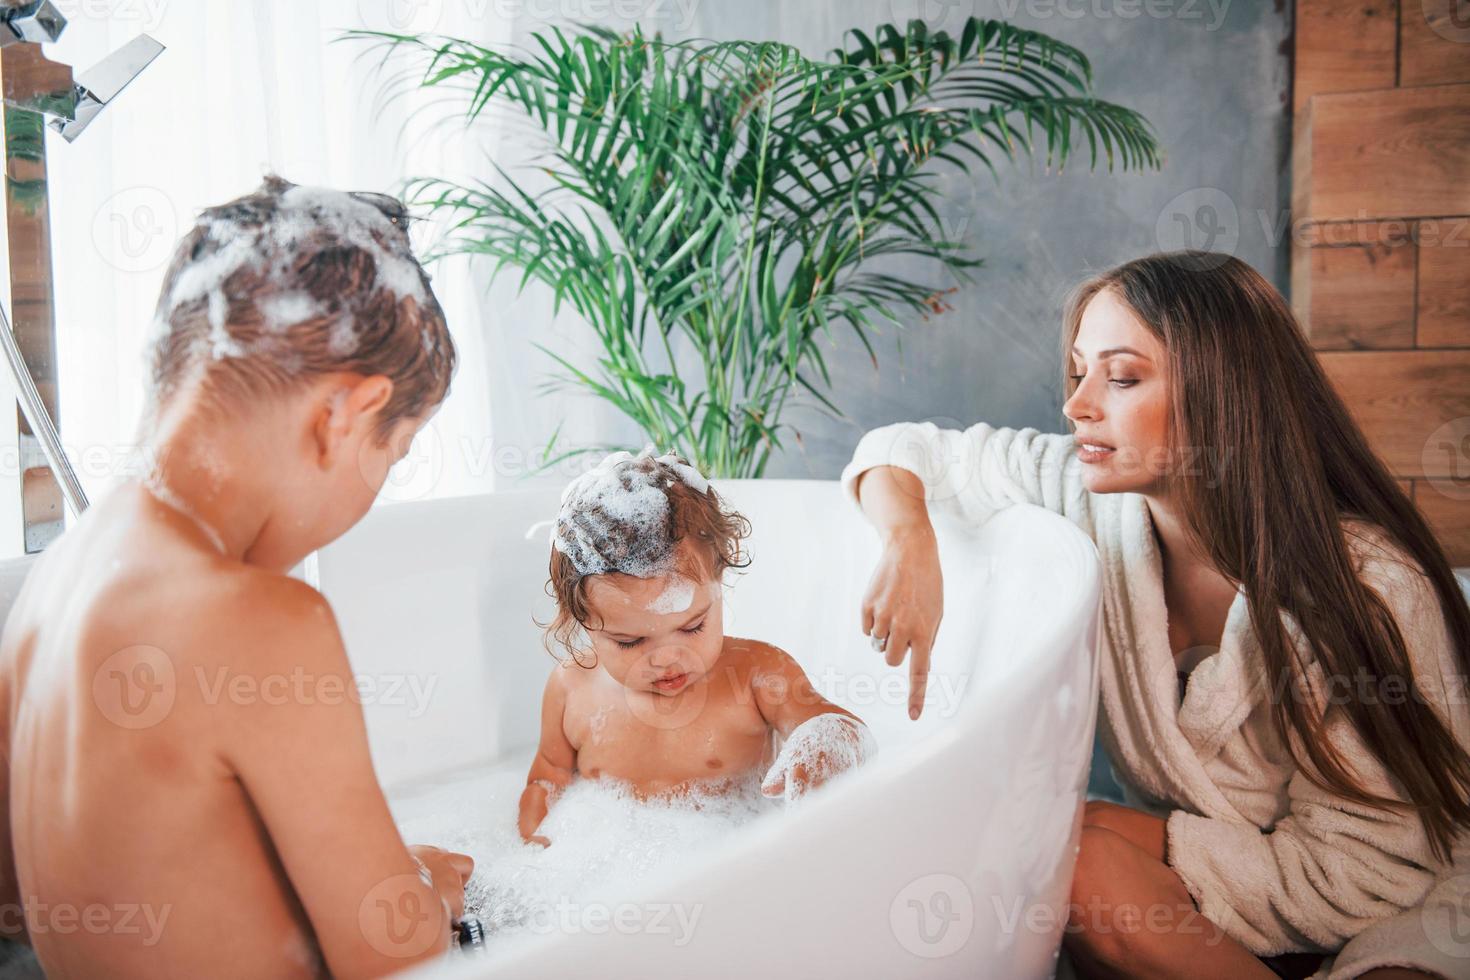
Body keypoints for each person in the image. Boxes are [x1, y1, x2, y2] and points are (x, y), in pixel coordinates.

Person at [842, 251, 1470, 979]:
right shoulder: (1085, 499)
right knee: (1064, 853)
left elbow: (1378, 867)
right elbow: (904, 450)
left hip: (1395, 902)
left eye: (1122, 377)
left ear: (1224, 394)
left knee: (1081, 847)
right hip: (1216, 891)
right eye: (1078, 372)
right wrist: (908, 536)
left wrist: (1154, 844)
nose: (1077, 405)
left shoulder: (1367, 586)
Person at [0, 176, 474, 977]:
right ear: (341, 418)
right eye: (392, 455)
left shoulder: (51, 587)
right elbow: (395, 954)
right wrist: (424, 887)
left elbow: (17, 898)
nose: (381, 478)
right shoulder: (266, 620)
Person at [518, 448, 875, 845]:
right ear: (581, 621)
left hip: (736, 863)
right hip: (612, 872)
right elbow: (548, 774)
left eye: (692, 627)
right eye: (630, 641)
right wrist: (536, 852)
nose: (668, 658)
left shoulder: (757, 673)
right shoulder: (571, 688)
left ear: (720, 581)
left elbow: (832, 724)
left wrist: (825, 742)